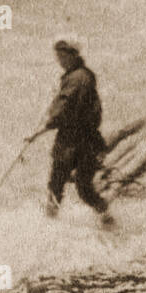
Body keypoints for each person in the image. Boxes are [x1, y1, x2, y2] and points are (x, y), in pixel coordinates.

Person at [39, 40, 112, 224]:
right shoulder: (82, 75)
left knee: (57, 184)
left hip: (72, 142)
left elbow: (63, 106)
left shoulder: (77, 79)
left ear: (73, 55)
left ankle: (49, 222)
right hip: (88, 140)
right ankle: (107, 217)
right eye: (58, 57)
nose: (60, 61)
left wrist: (46, 125)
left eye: (63, 57)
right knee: (84, 188)